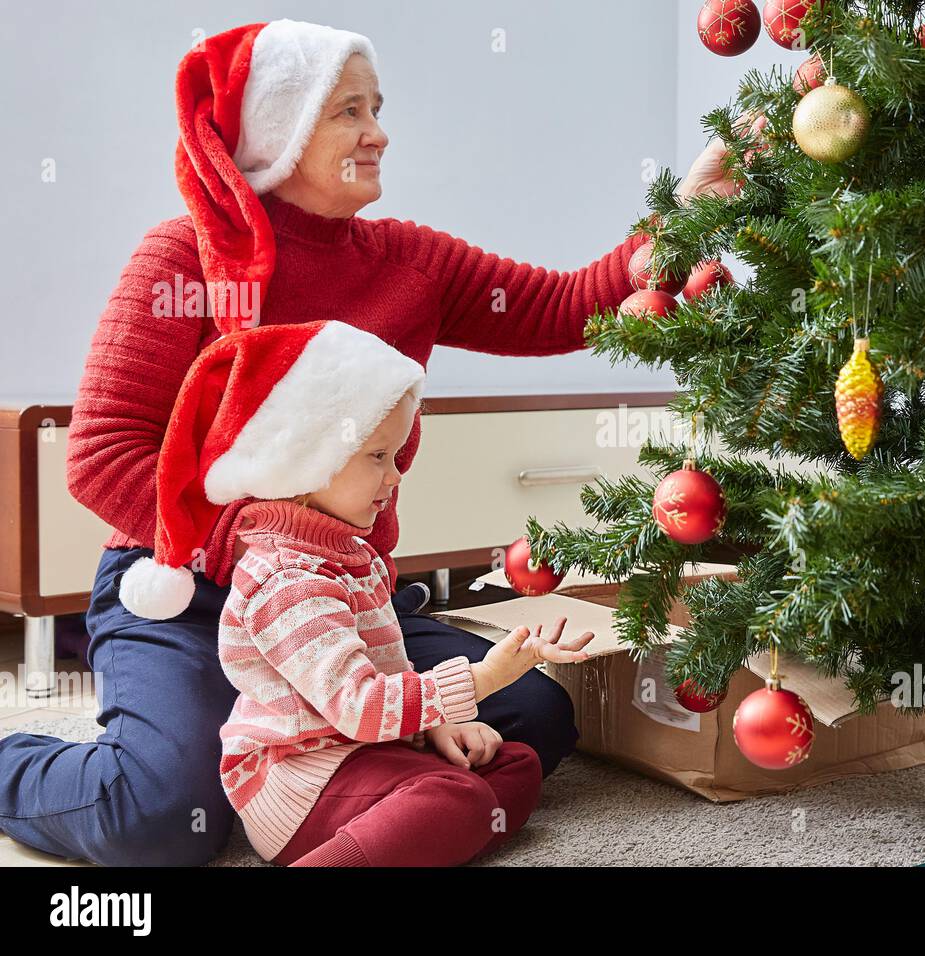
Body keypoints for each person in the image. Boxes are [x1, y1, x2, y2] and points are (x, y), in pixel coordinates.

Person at [0, 17, 759, 866]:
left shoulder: (410, 262)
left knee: (534, 718)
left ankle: (346, 763)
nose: (379, 132)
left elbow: (565, 303)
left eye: (377, 107)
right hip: (190, 587)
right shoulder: (182, 257)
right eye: (348, 112)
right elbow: (103, 456)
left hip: (340, 599)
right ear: (280, 133)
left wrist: (686, 215)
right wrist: (261, 555)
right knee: (161, 815)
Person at [113, 319, 593, 866]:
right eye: (377, 457)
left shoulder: (350, 554)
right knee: (456, 795)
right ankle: (377, 841)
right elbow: (360, 708)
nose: (395, 477)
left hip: (367, 752)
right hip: (301, 782)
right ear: (307, 461)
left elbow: (386, 675)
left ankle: (406, 835)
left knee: (515, 763)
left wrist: (434, 722)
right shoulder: (288, 581)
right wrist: (483, 679)